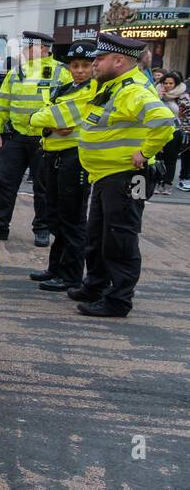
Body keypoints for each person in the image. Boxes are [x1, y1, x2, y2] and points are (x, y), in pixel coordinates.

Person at [67, 34, 176, 317]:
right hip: (106, 176)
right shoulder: (111, 87)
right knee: (98, 235)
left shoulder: (133, 90)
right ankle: (96, 286)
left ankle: (118, 300)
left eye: (100, 59)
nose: (94, 64)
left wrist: (145, 151)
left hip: (128, 176)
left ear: (119, 61)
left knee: (120, 236)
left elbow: (165, 122)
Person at [28, 40, 98, 292]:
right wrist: (49, 125)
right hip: (53, 155)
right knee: (55, 215)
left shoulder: (92, 91)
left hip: (74, 157)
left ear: (94, 66)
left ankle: (71, 275)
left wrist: (46, 121)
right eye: (75, 65)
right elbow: (41, 117)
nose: (79, 70)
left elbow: (44, 116)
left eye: (85, 65)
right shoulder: (64, 88)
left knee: (72, 218)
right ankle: (56, 267)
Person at [0, 32, 60, 245]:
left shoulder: (61, 72)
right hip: (16, 137)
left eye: (28, 48)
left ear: (43, 49)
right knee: (5, 183)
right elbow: (2, 104)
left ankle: (42, 228)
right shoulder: (16, 72)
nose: (23, 52)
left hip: (45, 140)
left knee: (44, 187)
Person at [154, 72, 188, 193]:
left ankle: (167, 184)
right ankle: (158, 182)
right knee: (158, 158)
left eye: (171, 83)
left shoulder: (182, 96)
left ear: (176, 84)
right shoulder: (155, 94)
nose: (168, 85)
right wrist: (158, 96)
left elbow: (185, 114)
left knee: (171, 159)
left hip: (174, 130)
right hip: (158, 129)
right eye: (165, 83)